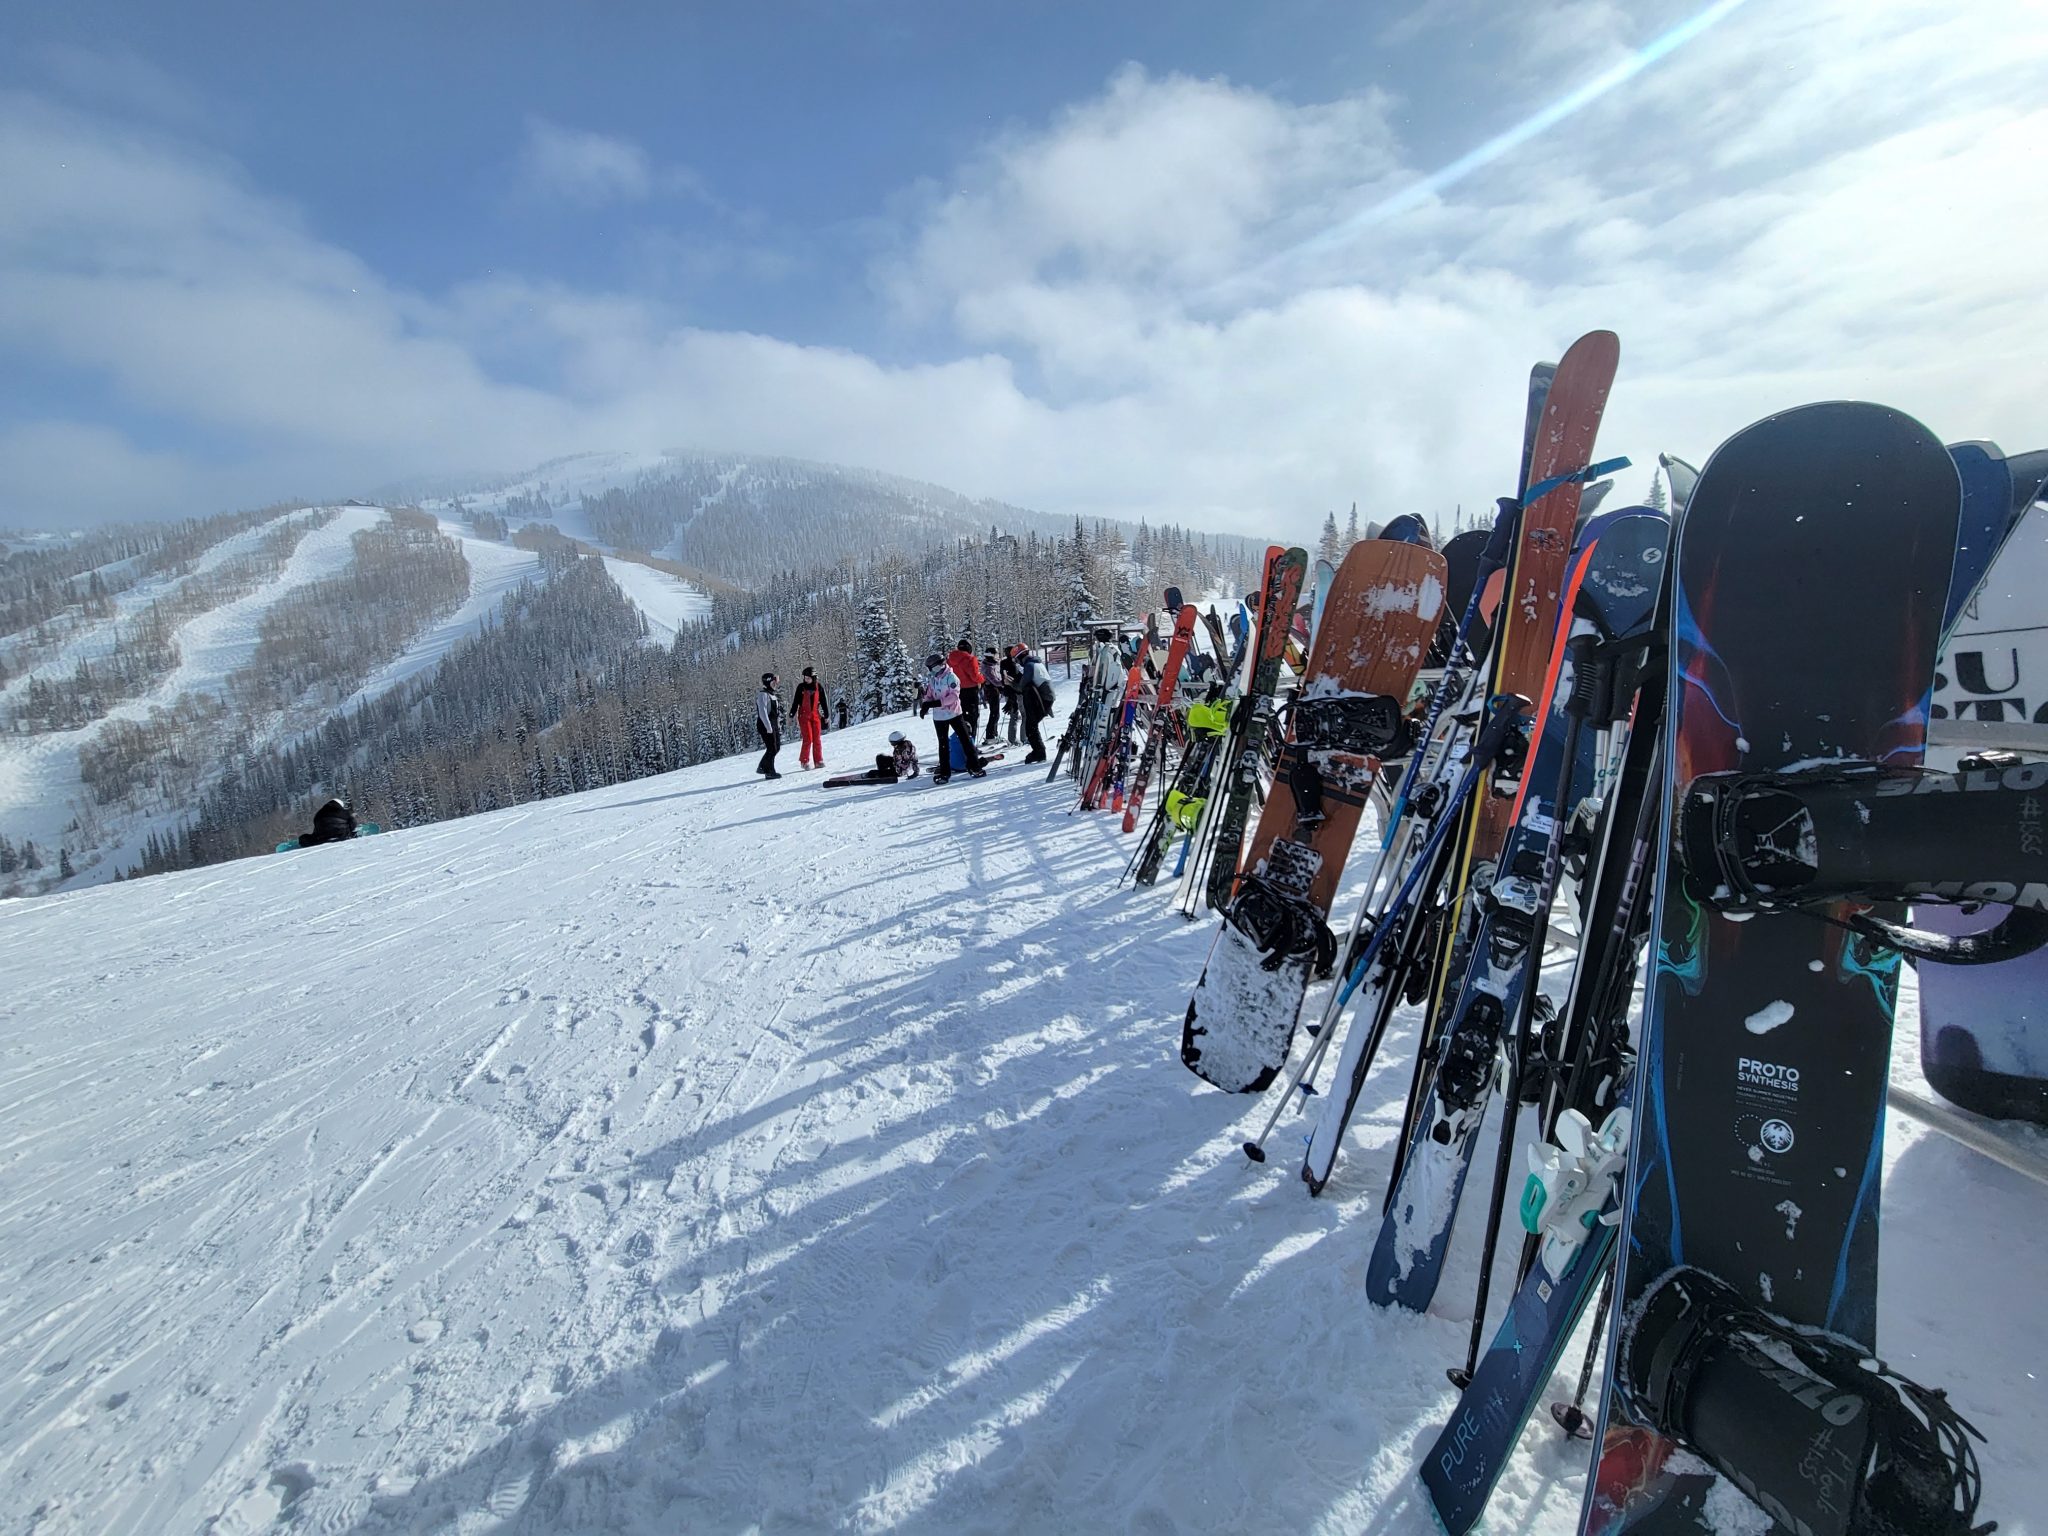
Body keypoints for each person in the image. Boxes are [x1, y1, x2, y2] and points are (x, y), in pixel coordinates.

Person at [917, 653, 986, 783]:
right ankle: (944, 773)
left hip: (954, 714)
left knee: (965, 740)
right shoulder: (933, 679)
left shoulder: (951, 677)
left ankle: (974, 767)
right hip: (939, 717)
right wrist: (925, 705)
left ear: (940, 666)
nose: (932, 671)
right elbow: (929, 694)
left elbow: (953, 697)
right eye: (930, 669)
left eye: (933, 668)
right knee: (943, 745)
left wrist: (936, 703)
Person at [1012, 644, 1054, 762]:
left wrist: (1011, 684)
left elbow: (1022, 686)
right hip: (1045, 697)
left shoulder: (1029, 666)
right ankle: (1038, 751)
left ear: (1019, 657)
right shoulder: (1036, 663)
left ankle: (1039, 752)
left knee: (1031, 726)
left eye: (1016, 659)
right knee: (1031, 726)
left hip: (1042, 698)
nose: (1017, 662)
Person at [946, 638, 985, 740]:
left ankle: (962, 742)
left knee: (961, 717)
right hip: (970, 690)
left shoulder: (949, 660)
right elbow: (974, 676)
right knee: (972, 717)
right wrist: (982, 679)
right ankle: (971, 743)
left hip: (956, 692)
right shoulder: (970, 659)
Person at [791, 666, 829, 770]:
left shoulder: (818, 687)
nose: (805, 680)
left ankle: (818, 761)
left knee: (817, 738)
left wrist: (826, 715)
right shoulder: (801, 687)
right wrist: (792, 713)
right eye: (805, 678)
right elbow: (795, 702)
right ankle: (804, 761)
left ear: (814, 678)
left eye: (808, 678)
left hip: (815, 714)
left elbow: (824, 701)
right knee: (808, 739)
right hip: (804, 715)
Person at [756, 672, 783, 779]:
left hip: (773, 724)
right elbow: (762, 713)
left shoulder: (771, 694)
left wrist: (778, 725)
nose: (775, 684)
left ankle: (763, 767)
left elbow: (776, 712)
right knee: (772, 748)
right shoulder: (763, 694)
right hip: (765, 725)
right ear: (768, 682)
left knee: (776, 747)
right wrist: (768, 727)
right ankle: (769, 770)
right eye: (773, 682)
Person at [978, 648, 1005, 745]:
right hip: (991, 691)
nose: (997, 657)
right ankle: (990, 736)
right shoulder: (988, 667)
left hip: (993, 690)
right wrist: (1004, 683)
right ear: (991, 655)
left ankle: (994, 734)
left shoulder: (991, 664)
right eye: (996, 655)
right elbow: (995, 680)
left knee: (995, 713)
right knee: (994, 713)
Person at [997, 649, 1024, 745]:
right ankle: (1023, 738)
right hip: (1015, 692)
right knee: (1023, 715)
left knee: (1014, 715)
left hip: (1009, 692)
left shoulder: (1004, 663)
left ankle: (1013, 739)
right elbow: (1012, 680)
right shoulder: (1012, 663)